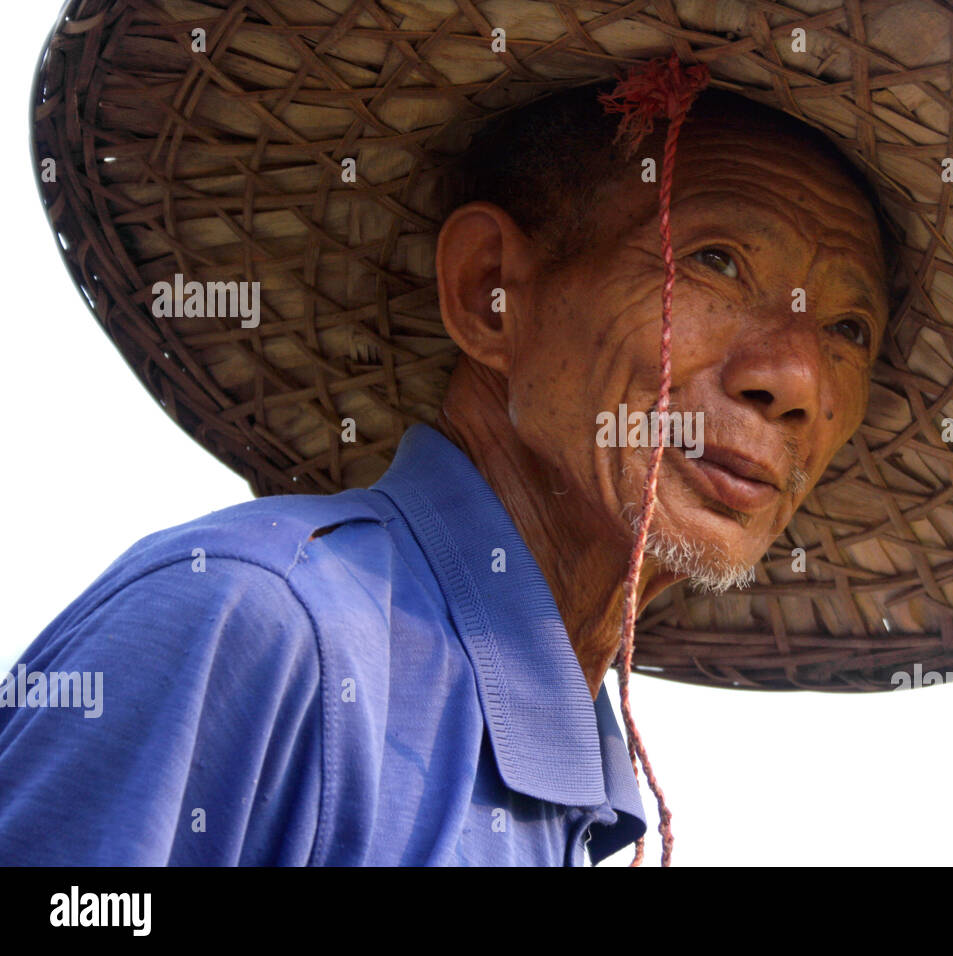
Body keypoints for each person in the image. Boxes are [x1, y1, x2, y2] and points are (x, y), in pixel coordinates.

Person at [0, 72, 892, 867]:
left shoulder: (579, 777)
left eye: (848, 330)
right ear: (489, 292)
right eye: (715, 261)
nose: (797, 381)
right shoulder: (258, 623)